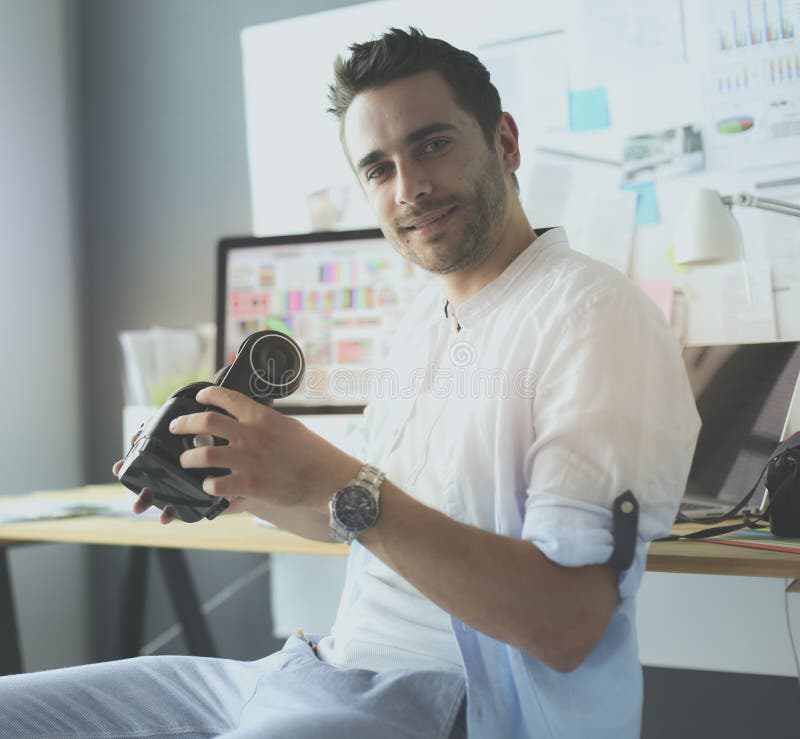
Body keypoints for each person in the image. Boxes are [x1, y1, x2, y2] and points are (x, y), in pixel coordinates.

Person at [0, 27, 700, 738]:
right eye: (378, 168)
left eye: (432, 144)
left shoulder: (595, 316)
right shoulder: (417, 327)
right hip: (306, 668)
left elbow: (567, 623)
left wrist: (336, 480)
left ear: (506, 143)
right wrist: (246, 482)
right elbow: (353, 522)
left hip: (440, 702)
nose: (411, 188)